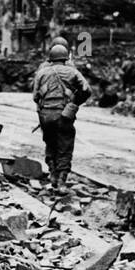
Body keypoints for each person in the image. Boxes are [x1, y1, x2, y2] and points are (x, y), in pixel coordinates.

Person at [32, 39, 91, 190]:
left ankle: (52, 174)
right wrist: (74, 104)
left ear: (50, 57)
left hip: (45, 116)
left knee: (50, 144)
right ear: (65, 57)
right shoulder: (72, 71)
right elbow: (86, 90)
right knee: (65, 146)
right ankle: (62, 181)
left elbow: (35, 97)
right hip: (64, 115)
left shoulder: (41, 72)